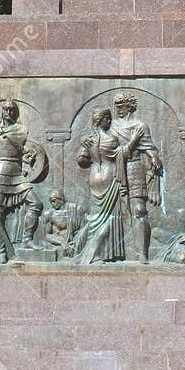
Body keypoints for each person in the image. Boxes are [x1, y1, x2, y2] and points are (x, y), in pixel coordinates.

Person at [0, 99, 43, 263]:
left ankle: (27, 239)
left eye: (12, 110)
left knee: (36, 203)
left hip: (17, 173)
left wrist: (29, 159)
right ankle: (1, 251)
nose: (9, 112)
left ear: (16, 112)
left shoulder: (21, 130)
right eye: (6, 109)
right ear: (2, 111)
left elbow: (28, 149)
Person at [109, 90, 162, 263]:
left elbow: (148, 146)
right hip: (115, 170)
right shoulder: (112, 125)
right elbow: (108, 147)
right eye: (116, 106)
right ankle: (117, 250)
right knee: (117, 211)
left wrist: (153, 156)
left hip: (134, 167)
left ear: (129, 106)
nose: (118, 110)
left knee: (139, 209)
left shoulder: (141, 125)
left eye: (121, 106)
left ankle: (142, 252)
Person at [74, 105, 126, 264]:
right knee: (110, 218)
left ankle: (95, 253)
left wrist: (93, 156)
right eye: (107, 118)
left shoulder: (89, 139)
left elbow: (81, 160)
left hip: (94, 177)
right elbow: (124, 153)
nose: (110, 121)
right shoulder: (112, 139)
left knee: (96, 217)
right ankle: (98, 254)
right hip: (109, 177)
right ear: (100, 120)